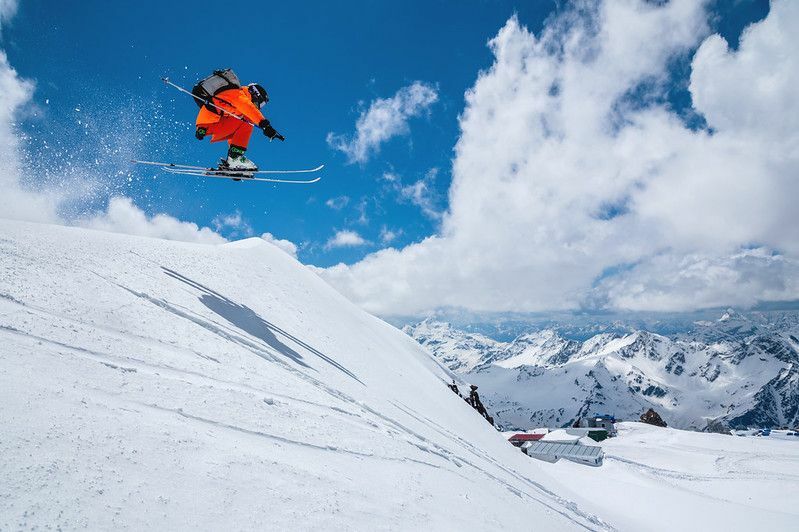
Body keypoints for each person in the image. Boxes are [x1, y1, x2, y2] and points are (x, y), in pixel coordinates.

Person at [194, 80, 283, 171]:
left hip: (209, 125)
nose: (259, 107)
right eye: (260, 103)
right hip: (208, 124)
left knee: (242, 119)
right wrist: (265, 125)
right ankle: (235, 158)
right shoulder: (238, 94)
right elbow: (248, 108)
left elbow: (236, 129)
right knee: (248, 119)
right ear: (256, 95)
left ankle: (234, 159)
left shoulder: (237, 99)